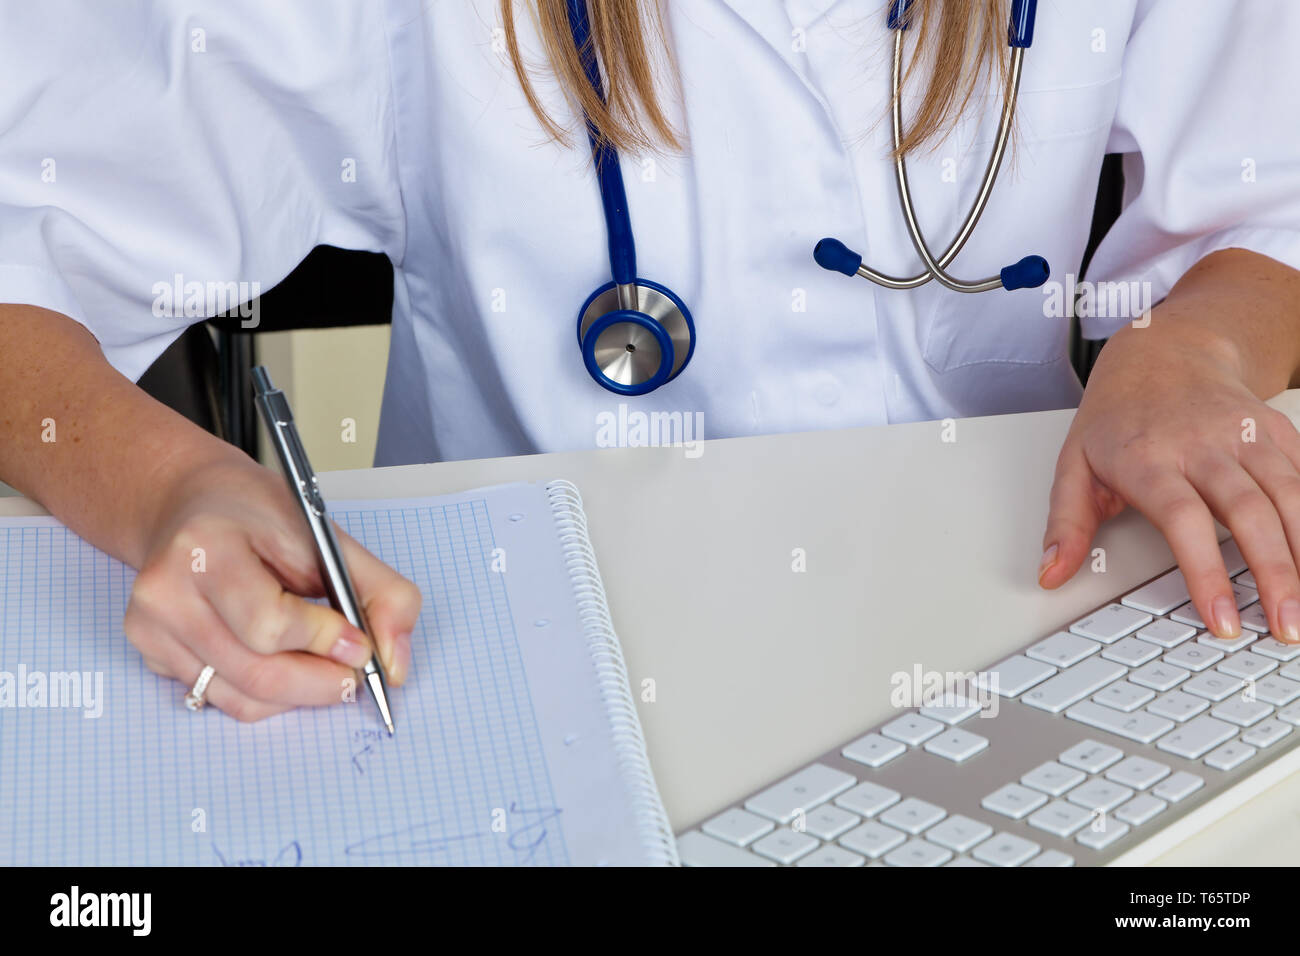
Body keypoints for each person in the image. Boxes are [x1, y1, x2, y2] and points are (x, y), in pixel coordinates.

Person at [1, 0, 1299, 723]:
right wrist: (170, 485)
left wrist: (1195, 347)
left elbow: (1267, 194)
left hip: (1020, 625)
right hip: (521, 669)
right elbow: (22, 249)